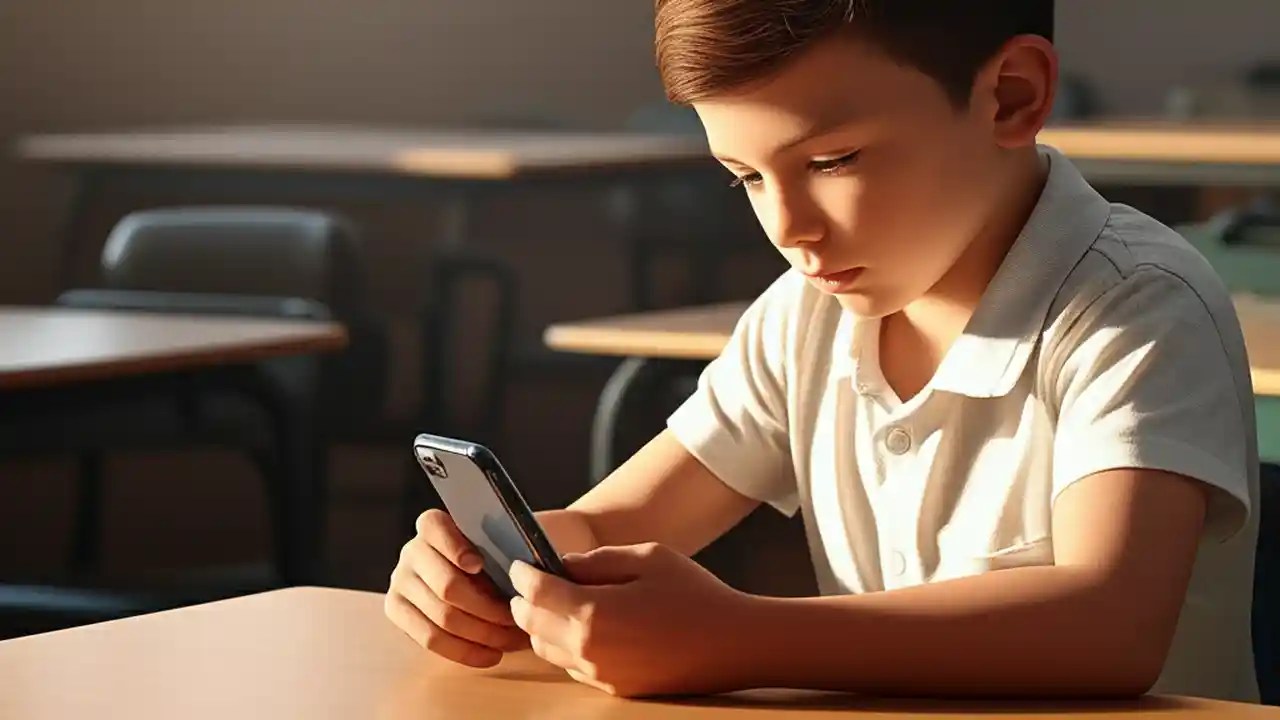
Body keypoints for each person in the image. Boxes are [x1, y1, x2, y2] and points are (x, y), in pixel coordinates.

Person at [386, 0, 1260, 702]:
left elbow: (1109, 627)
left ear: (1012, 96)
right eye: (748, 178)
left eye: (834, 160)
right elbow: (610, 529)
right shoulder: (804, 316)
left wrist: (741, 638)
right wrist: (496, 578)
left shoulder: (1136, 306)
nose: (788, 229)